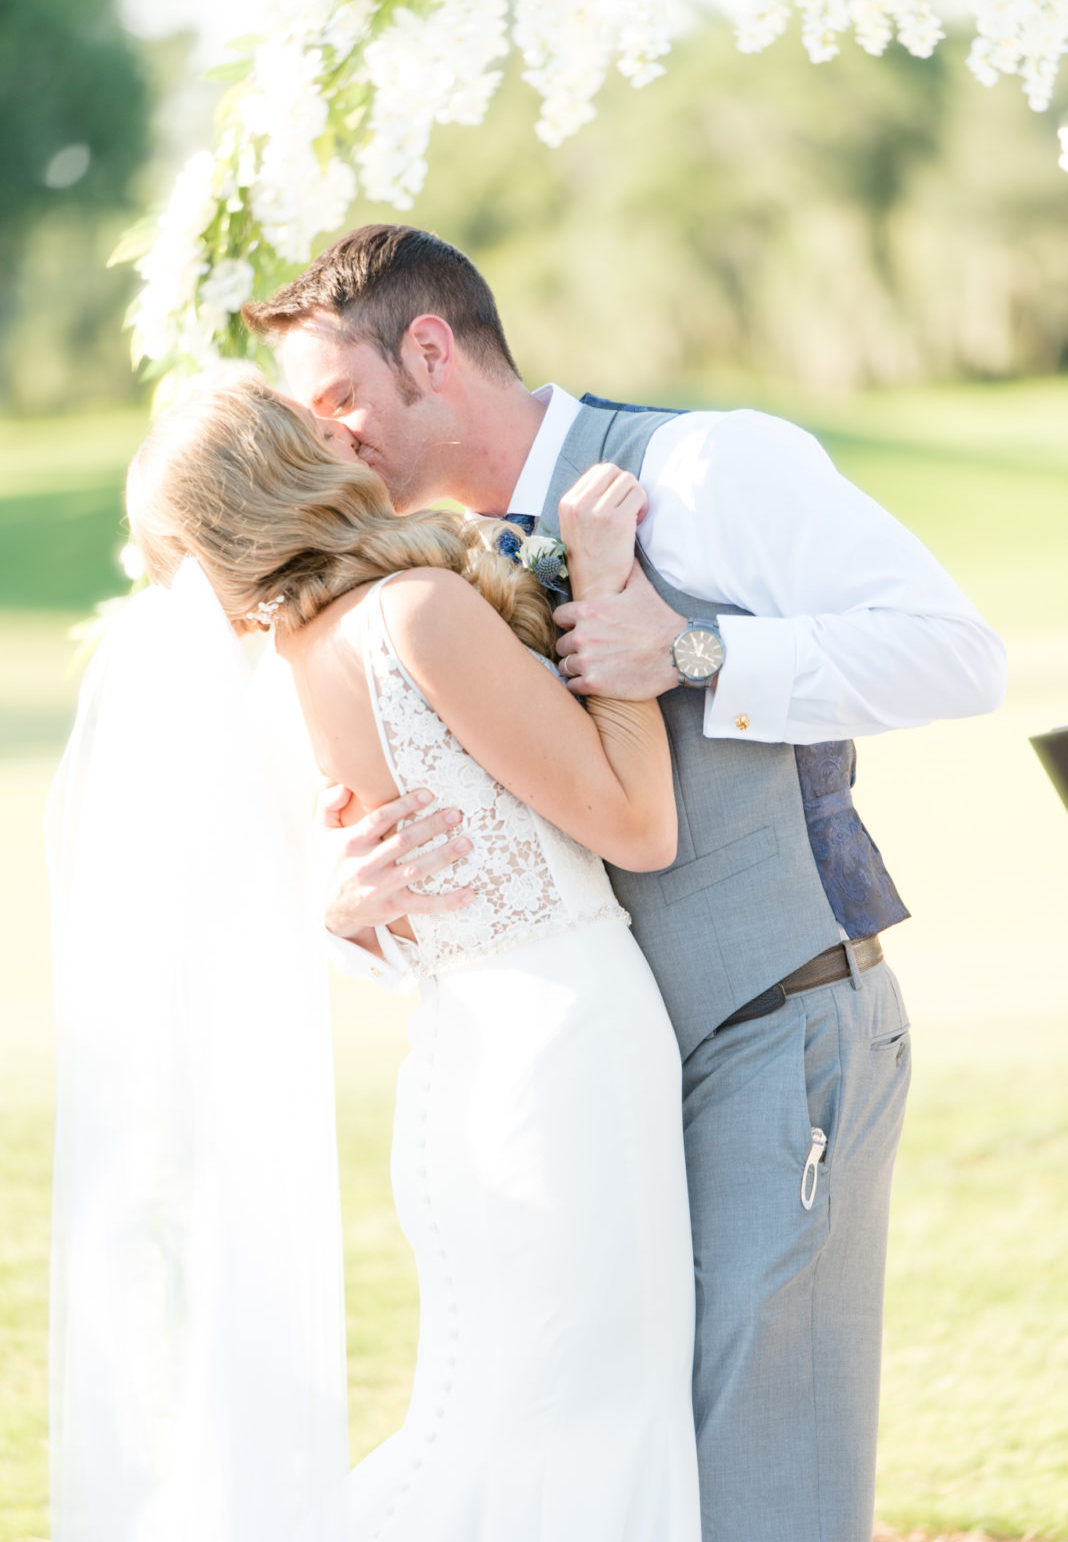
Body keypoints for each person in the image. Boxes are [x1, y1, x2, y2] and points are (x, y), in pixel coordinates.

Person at [242, 223, 1009, 1542]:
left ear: (430, 351)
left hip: (778, 1031)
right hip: (603, 1095)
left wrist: (698, 650)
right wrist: (349, 913)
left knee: (763, 1485)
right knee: (636, 1477)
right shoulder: (428, 584)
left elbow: (955, 657)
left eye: (341, 401)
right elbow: (486, 864)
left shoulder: (709, 465)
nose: (330, 442)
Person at [48, 365, 702, 1541]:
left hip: (459, 1073)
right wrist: (601, 587)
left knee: (499, 1420)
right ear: (290, 465)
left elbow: (354, 917)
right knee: (586, 1426)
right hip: (567, 1058)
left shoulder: (284, 684)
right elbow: (640, 824)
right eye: (315, 420)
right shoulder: (417, 614)